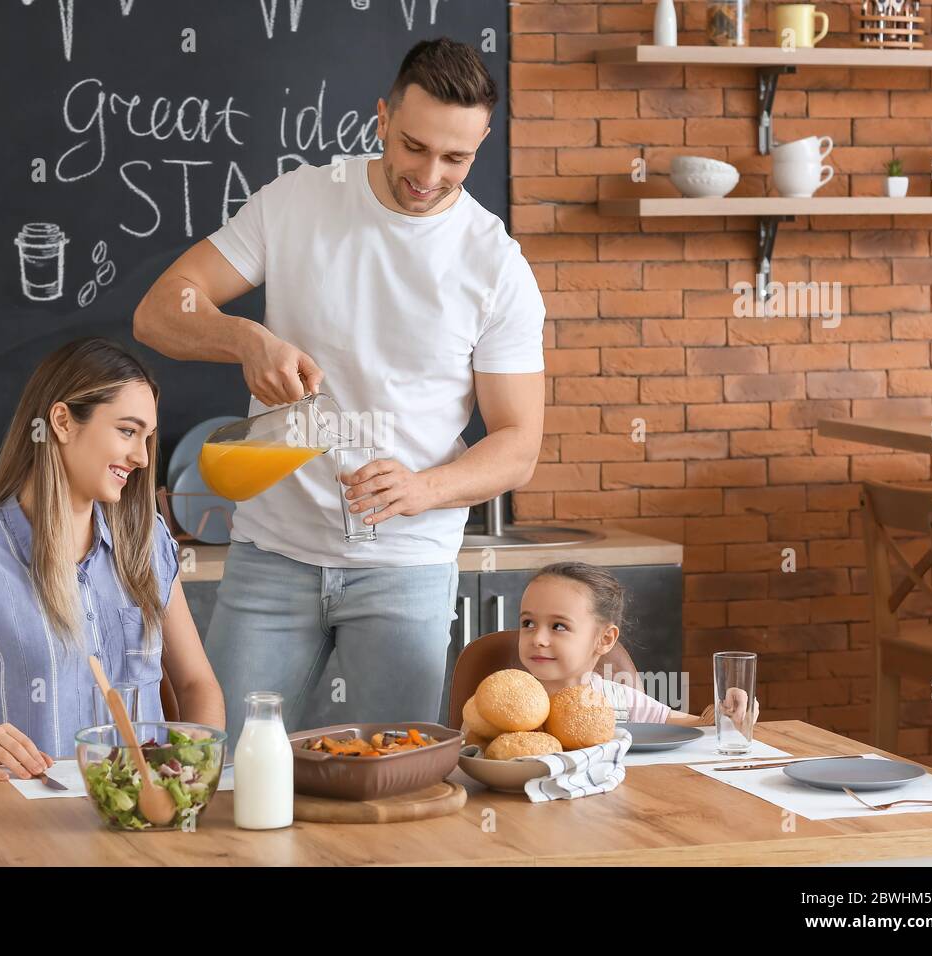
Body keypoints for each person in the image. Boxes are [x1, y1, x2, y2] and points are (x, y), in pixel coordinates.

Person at [133, 38, 545, 750]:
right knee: (225, 771)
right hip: (273, 553)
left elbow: (518, 446)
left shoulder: (495, 263)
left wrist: (426, 488)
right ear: (382, 119)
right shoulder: (300, 202)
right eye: (414, 146)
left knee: (388, 790)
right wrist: (242, 339)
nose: (430, 174)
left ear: (480, 145)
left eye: (457, 158)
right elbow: (161, 309)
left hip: (406, 566)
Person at [0, 338, 224, 780]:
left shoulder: (145, 543)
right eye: (127, 431)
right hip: (24, 825)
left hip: (138, 818)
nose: (142, 457)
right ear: (62, 421)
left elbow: (195, 684)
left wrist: (192, 766)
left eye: (146, 437)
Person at [519, 562, 758, 728]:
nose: (538, 638)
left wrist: (731, 712)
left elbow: (699, 728)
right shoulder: (505, 703)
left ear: (605, 639)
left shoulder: (623, 702)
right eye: (528, 622)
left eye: (558, 626)